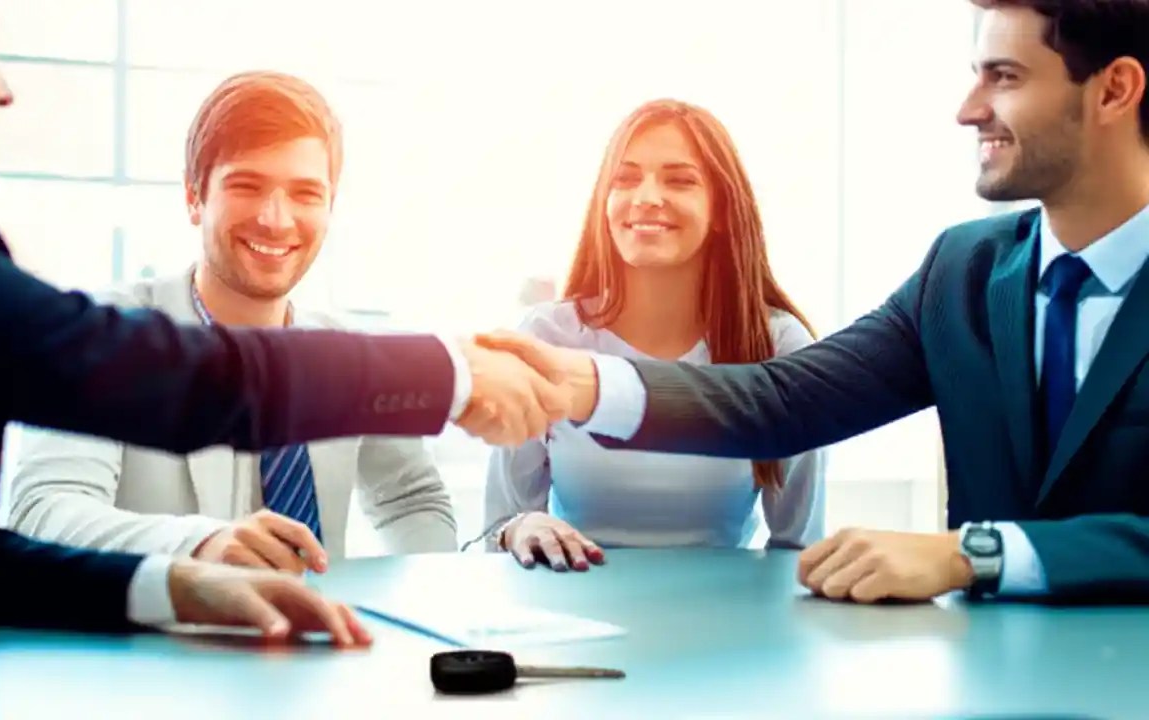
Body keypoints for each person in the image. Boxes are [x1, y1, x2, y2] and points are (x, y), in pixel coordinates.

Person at [0, 0, 565, 714]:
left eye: (304, 193)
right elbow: (191, 382)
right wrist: (444, 373)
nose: (4, 88)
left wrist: (180, 586)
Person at [484, 0, 1149, 602]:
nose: (968, 108)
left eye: (1004, 76)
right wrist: (584, 383)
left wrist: (976, 553)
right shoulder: (963, 272)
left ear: (1114, 90)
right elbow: (782, 402)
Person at [4, 72, 457, 570]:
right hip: (160, 640)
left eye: (305, 194)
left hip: (322, 640)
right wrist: (199, 546)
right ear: (194, 197)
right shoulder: (107, 333)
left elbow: (413, 500)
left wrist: (416, 613)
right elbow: (43, 509)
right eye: (247, 185)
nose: (276, 219)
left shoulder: (346, 352)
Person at [482, 99, 825, 570]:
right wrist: (519, 528)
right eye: (624, 179)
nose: (645, 196)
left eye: (679, 180)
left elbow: (798, 550)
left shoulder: (780, 348)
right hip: (574, 615)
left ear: (723, 209)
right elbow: (498, 529)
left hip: (724, 620)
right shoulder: (547, 336)